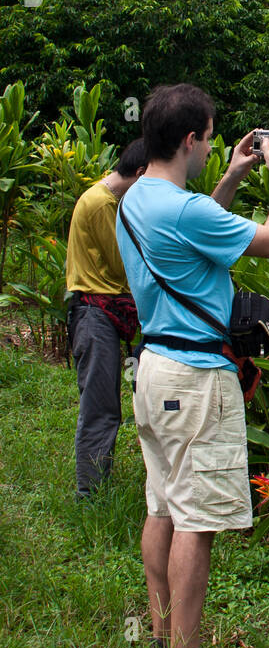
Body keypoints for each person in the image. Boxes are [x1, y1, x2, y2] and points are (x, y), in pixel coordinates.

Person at [115, 84, 269, 648]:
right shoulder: (183, 209)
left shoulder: (138, 200)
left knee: (162, 502)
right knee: (196, 521)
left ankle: (162, 632)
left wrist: (233, 176)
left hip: (153, 370)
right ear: (191, 140)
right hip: (196, 379)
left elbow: (199, 228)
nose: (214, 146)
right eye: (212, 138)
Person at [65, 137, 149, 499]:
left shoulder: (107, 194)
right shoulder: (101, 204)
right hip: (94, 314)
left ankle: (96, 486)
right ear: (142, 173)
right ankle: (90, 495)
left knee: (110, 401)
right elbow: (123, 263)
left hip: (105, 313)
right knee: (100, 406)